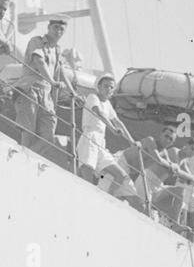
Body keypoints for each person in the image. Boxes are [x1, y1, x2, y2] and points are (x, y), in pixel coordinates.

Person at [18, 17, 71, 158]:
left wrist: (73, 92)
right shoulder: (37, 41)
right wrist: (53, 81)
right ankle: (24, 159)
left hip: (47, 95)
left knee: (48, 136)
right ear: (48, 28)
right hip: (31, 89)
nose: (58, 31)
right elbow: (39, 61)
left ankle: (26, 158)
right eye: (55, 28)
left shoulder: (57, 50)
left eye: (61, 29)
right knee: (28, 131)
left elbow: (61, 71)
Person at [77, 73, 135, 186]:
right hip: (90, 138)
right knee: (87, 171)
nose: (109, 89)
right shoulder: (92, 97)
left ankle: (108, 197)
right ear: (98, 87)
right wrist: (112, 129)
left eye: (111, 87)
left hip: (101, 143)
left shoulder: (107, 104)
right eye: (106, 86)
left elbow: (118, 122)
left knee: (120, 175)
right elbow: (98, 113)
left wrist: (131, 141)